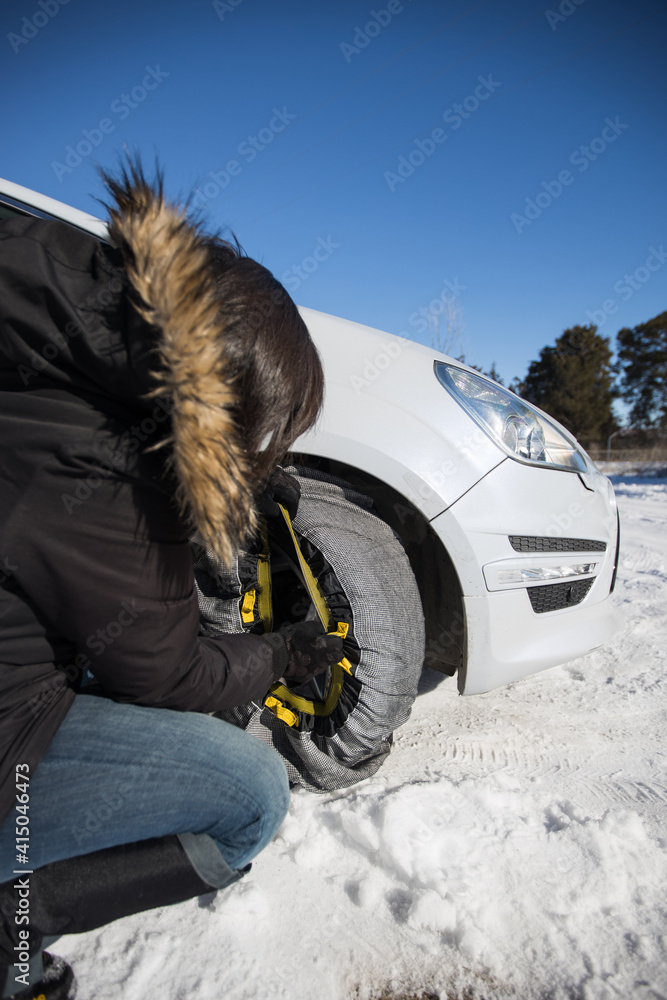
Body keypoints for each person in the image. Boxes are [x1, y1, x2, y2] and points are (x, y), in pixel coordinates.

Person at [0, 160, 343, 999]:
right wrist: (281, 653)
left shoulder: (51, 344)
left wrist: (232, 480)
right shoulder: (97, 466)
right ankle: (15, 928)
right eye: (269, 436)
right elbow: (167, 673)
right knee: (249, 795)